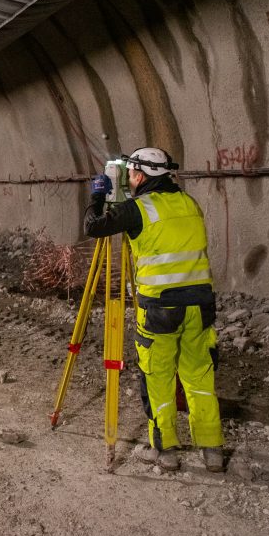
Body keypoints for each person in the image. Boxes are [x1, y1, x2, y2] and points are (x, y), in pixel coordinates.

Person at [84, 147, 224, 472]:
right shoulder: (190, 204)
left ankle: (166, 452)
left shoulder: (138, 209)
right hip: (200, 307)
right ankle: (212, 451)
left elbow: (94, 226)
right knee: (199, 376)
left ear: (140, 175)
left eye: (131, 174)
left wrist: (97, 195)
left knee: (158, 377)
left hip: (160, 309)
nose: (130, 179)